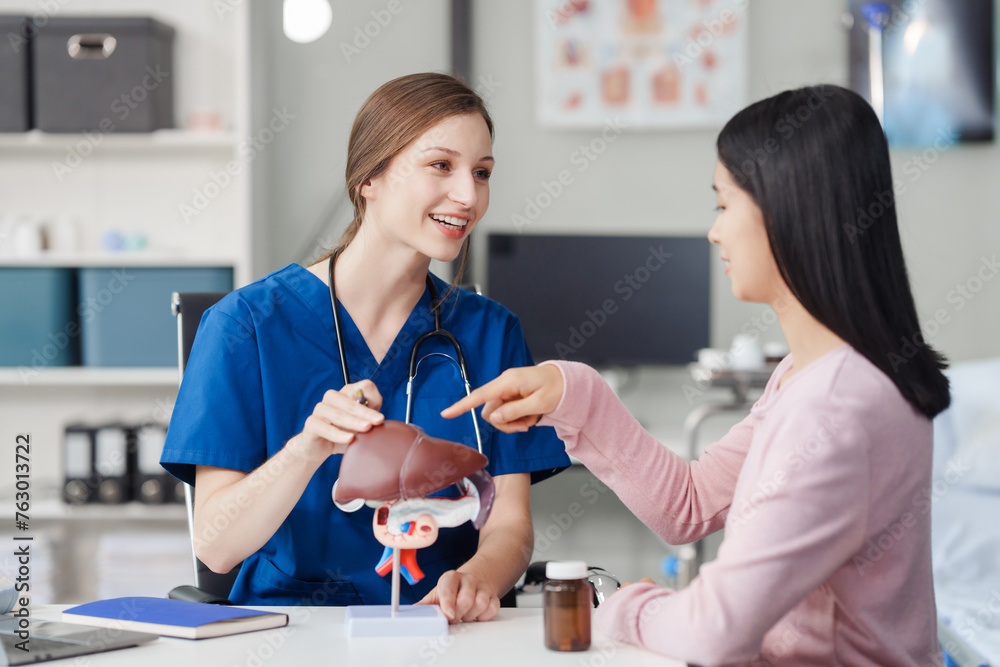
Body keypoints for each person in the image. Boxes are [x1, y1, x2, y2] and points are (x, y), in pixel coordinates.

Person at [443, 85, 951, 664]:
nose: (715, 232)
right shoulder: (815, 376)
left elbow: (713, 630)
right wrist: (574, 392)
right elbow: (690, 502)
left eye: (724, 204)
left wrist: (624, 606)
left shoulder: (837, 407)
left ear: (790, 210)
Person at [160, 73, 570, 622]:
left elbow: (510, 525)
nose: (469, 196)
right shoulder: (245, 326)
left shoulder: (492, 333)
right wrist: (305, 450)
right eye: (440, 166)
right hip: (291, 632)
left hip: (442, 630)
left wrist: (474, 580)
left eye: (482, 173)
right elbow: (215, 547)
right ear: (369, 178)